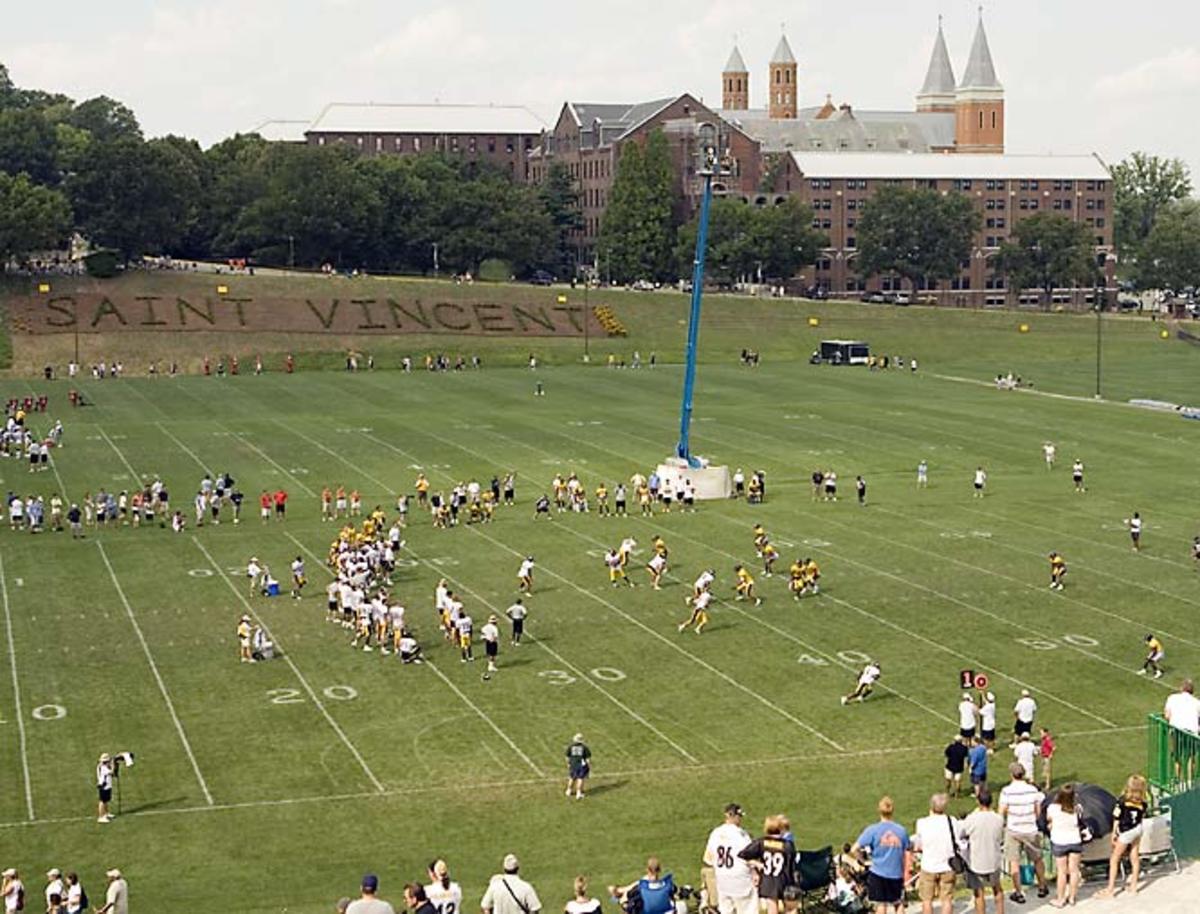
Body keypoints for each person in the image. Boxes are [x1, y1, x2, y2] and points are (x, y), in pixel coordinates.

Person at [998, 762, 1050, 903]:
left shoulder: (1006, 791)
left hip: (1013, 829)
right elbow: (1038, 812)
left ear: (1011, 775)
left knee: (1014, 861)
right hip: (1030, 829)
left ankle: (1018, 892)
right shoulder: (1033, 790)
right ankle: (1042, 886)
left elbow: (1001, 812)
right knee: (1037, 859)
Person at [851, 796, 910, 914]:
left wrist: (864, 861)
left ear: (879, 810)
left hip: (878, 872)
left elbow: (854, 848)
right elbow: (908, 849)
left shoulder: (872, 830)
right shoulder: (901, 831)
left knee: (880, 904)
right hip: (896, 872)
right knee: (898, 902)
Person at [1098, 774, 1149, 898]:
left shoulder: (1122, 801)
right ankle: (1133, 887)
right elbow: (1141, 817)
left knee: (1114, 859)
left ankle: (1110, 890)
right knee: (1135, 858)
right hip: (1138, 828)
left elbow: (1117, 817)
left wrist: (1114, 833)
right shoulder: (1143, 803)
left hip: (1126, 831)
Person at [911, 793, 962, 914]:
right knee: (946, 899)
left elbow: (919, 842)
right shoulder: (952, 821)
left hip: (929, 865)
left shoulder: (922, 823)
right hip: (948, 865)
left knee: (927, 900)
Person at [703, 803, 756, 914]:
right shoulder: (742, 835)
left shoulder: (715, 833)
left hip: (723, 881)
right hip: (741, 880)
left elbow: (708, 859)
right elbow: (751, 859)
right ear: (735, 816)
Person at [738, 815, 796, 914]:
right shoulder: (787, 845)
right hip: (784, 880)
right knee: (790, 908)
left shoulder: (761, 842)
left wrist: (756, 863)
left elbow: (743, 854)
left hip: (768, 881)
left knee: (772, 910)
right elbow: (791, 863)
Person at [961, 789, 1005, 914]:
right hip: (993, 859)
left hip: (977, 861)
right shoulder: (998, 819)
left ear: (978, 801)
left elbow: (963, 833)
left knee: (979, 893)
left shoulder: (972, 819)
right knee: (997, 889)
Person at [1045, 785, 1083, 908]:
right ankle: (1072, 897)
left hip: (1060, 841)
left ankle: (1060, 898)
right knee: (1074, 870)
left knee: (1062, 872)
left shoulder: (1052, 808)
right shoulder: (1077, 808)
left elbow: (1049, 820)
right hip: (1075, 840)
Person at [608, 858, 675, 914]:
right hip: (666, 912)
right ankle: (619, 891)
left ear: (647, 870)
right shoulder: (667, 884)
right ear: (660, 870)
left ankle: (618, 891)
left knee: (626, 903)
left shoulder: (642, 887)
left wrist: (622, 903)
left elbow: (627, 901)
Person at [566, 733, 591, 799]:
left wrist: (569, 764)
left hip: (573, 764)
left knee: (572, 778)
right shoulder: (584, 748)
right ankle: (578, 793)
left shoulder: (570, 747)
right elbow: (588, 759)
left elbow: (567, 756)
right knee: (580, 778)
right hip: (581, 765)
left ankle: (569, 790)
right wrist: (589, 767)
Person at [96, 752, 115, 822]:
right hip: (104, 786)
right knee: (102, 801)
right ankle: (101, 816)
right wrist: (113, 765)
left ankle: (106, 813)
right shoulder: (103, 768)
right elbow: (112, 772)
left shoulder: (101, 766)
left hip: (107, 785)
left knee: (106, 801)